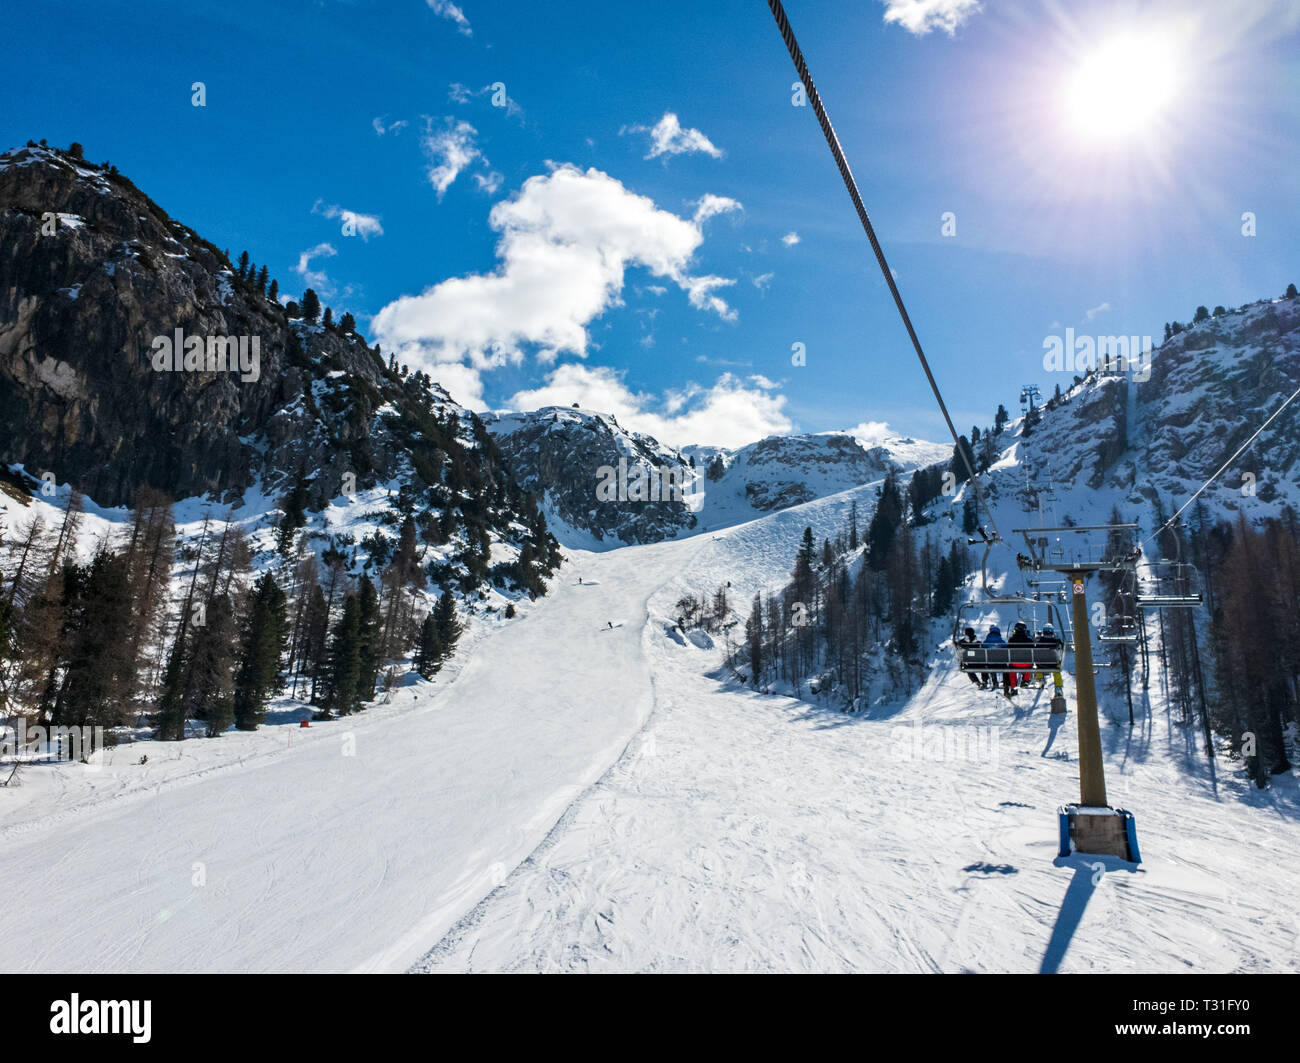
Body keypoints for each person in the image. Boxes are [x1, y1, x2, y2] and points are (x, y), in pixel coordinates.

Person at [1036, 622, 1064, 696]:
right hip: (1053, 664)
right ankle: (1058, 687)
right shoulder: (1056, 641)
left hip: (1042, 665)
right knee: (1057, 671)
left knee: (1038, 665)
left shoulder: (1040, 641)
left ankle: (1040, 679)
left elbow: (1036, 652)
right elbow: (1062, 647)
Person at [983, 625, 1011, 695]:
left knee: (990, 663)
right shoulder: (1001, 641)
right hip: (1000, 664)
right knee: (1006, 669)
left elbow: (982, 649)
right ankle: (1006, 686)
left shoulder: (986, 642)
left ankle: (994, 681)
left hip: (990, 664)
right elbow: (1006, 650)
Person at [1008, 621, 1035, 689]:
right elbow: (1033, 652)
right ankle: (1025, 680)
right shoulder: (1029, 640)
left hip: (1014, 664)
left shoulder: (1011, 640)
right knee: (1029, 663)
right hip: (1026, 664)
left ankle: (1013, 685)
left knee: (1011, 668)